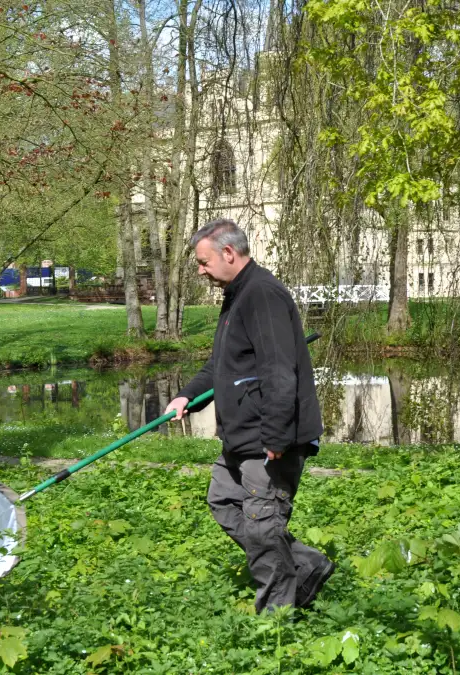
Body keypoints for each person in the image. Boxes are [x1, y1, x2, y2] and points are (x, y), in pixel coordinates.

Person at [165, 218, 334, 614]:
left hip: (267, 440)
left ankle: (274, 623)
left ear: (228, 253)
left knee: (261, 525)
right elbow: (221, 365)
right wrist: (186, 395)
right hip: (241, 436)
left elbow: (279, 371)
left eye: (204, 262)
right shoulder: (237, 295)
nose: (201, 271)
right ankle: (306, 566)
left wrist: (275, 438)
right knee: (224, 500)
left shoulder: (261, 294)